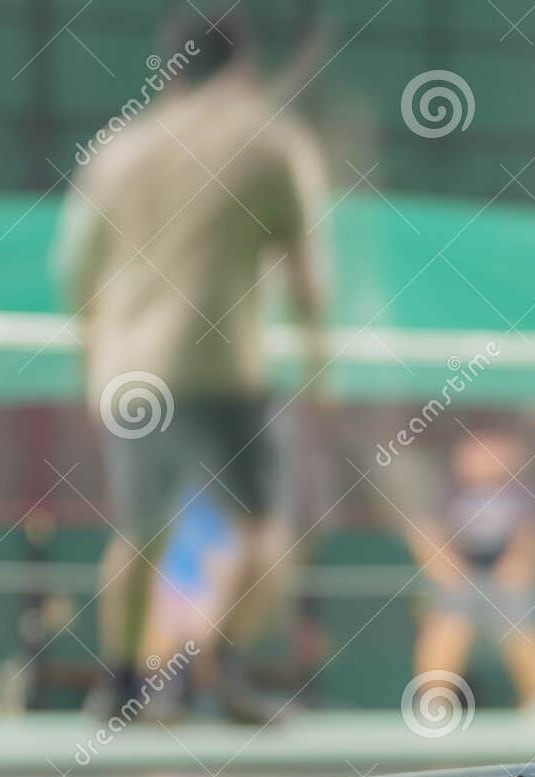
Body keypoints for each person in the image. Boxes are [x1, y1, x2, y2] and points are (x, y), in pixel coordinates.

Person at [54, 8, 328, 724]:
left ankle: (119, 687)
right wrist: (322, 364)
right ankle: (223, 671)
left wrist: (94, 364)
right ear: (241, 66)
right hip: (229, 371)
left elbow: (74, 273)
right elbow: (306, 279)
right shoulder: (273, 146)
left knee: (139, 531)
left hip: (132, 371)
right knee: (266, 531)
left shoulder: (116, 153)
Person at [406, 429, 535, 710]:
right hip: (459, 577)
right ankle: (434, 702)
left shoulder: (526, 495)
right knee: (447, 625)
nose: (484, 459)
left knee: (525, 627)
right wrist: (448, 569)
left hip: (509, 578)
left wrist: (519, 563)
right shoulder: (445, 495)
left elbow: (533, 536)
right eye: (476, 451)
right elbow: (425, 536)